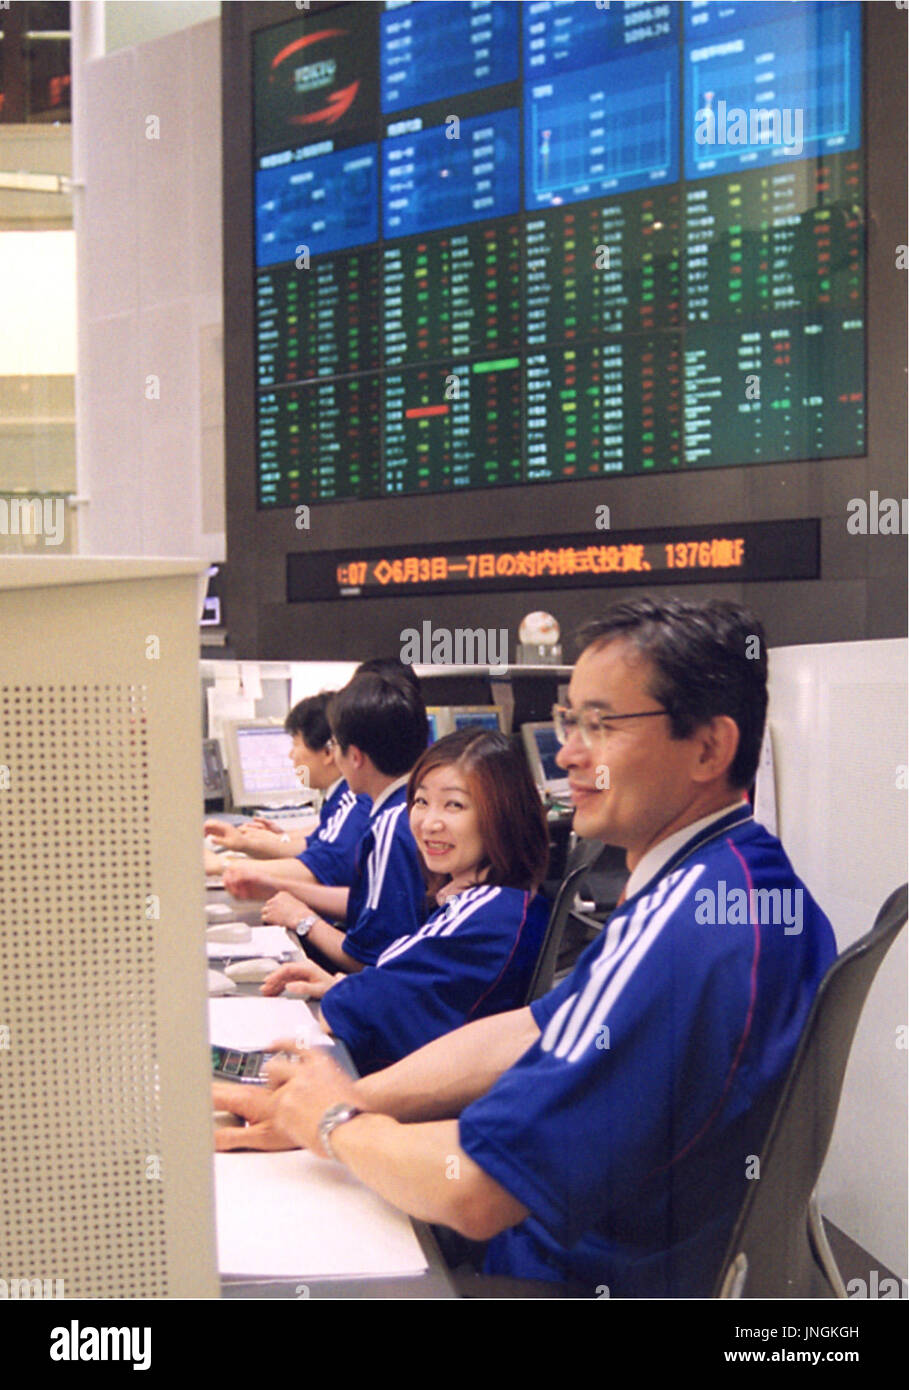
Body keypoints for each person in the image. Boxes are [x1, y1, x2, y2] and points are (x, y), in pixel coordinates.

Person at [213, 597, 837, 1298]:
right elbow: (528, 1029)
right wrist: (345, 1096)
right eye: (571, 721)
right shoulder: (745, 879)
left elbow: (478, 1190)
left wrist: (332, 1124)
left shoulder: (686, 930)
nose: (566, 752)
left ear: (708, 748)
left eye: (600, 725)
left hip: (562, 1276)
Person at [261, 728, 550, 1074]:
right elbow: (415, 990)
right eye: (421, 801)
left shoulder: (488, 913)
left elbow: (368, 1006)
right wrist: (340, 985)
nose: (429, 823)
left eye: (454, 804)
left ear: (501, 814)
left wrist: (342, 996)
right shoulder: (485, 901)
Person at [223, 669, 428, 970]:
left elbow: (372, 962)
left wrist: (302, 919)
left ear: (354, 756)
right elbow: (365, 904)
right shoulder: (405, 807)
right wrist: (275, 885)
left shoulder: (390, 828)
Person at [204, 694, 370, 892]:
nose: (291, 755)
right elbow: (311, 849)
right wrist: (245, 844)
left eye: (296, 744)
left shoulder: (354, 800)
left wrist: (223, 865)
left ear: (328, 752)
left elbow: (315, 869)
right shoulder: (340, 798)